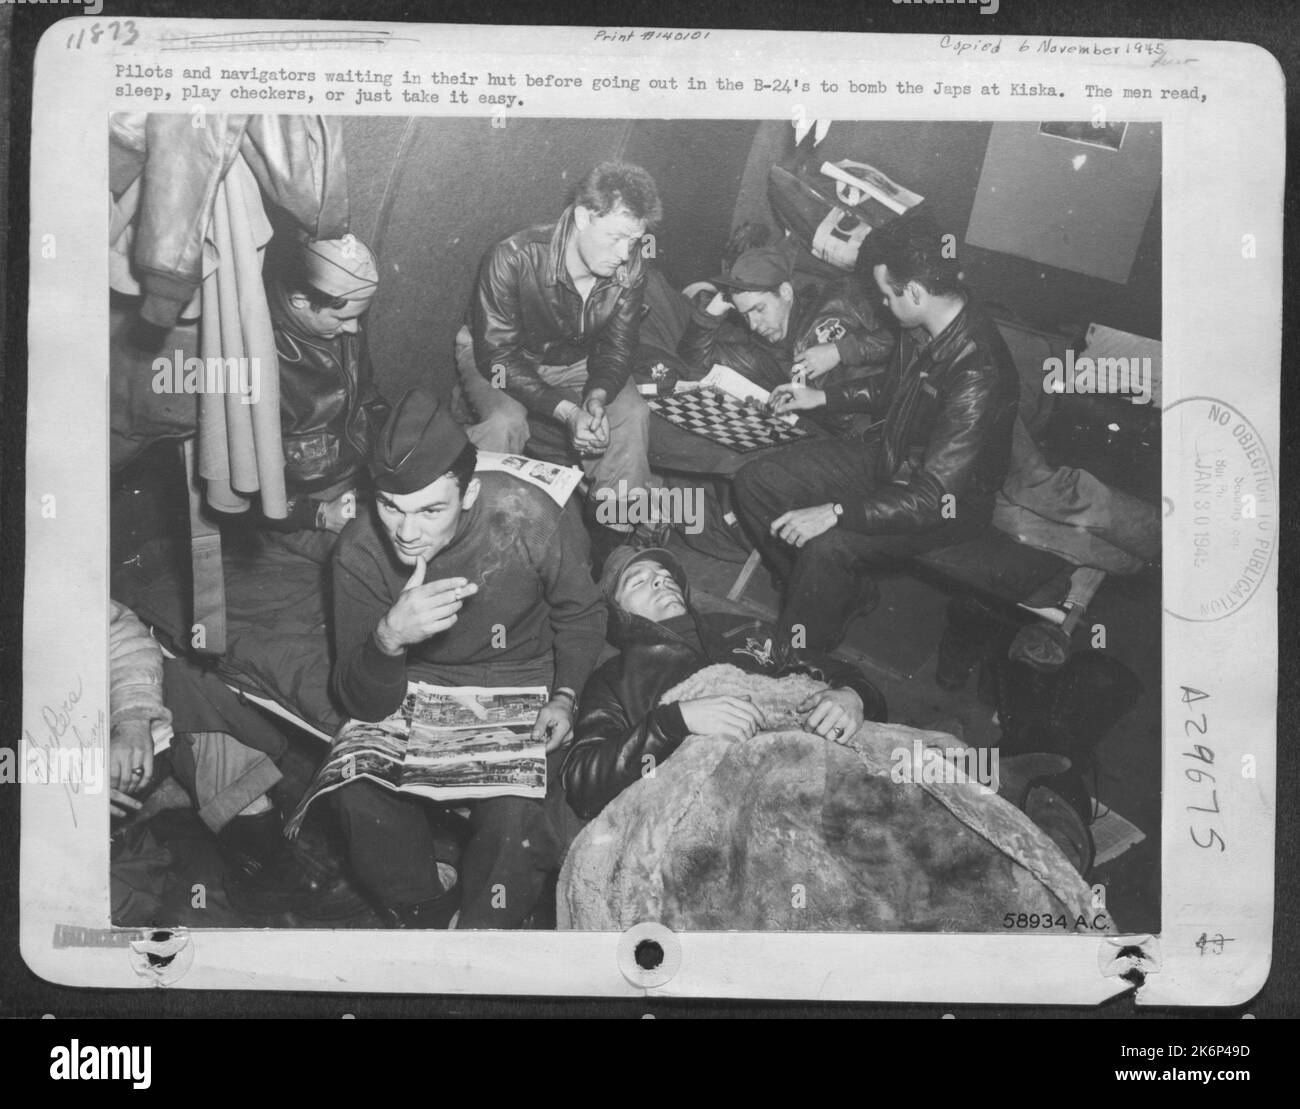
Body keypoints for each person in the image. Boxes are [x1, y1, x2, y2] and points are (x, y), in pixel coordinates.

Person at [327, 388, 606, 927]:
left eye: (431, 510)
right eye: (391, 506)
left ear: (470, 491)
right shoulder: (359, 550)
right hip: (417, 684)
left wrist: (567, 695)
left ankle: (480, 946)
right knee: (358, 797)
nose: (407, 533)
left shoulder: (528, 515)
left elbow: (584, 613)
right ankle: (424, 913)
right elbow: (356, 696)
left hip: (522, 678)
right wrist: (388, 639)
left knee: (518, 824)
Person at [732, 217, 1021, 653]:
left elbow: (932, 499)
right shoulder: (923, 323)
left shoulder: (978, 372)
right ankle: (837, 594)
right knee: (755, 482)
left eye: (887, 295)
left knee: (827, 546)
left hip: (946, 504)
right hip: (893, 458)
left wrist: (834, 512)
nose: (883, 306)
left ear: (916, 293)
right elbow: (891, 390)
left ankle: (799, 659)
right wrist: (820, 400)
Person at [561, 546, 887, 820]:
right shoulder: (614, 679)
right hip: (726, 812)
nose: (660, 581)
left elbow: (845, 677)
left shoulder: (750, 628)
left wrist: (852, 696)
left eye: (664, 575)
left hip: (816, 774)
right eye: (638, 582)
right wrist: (673, 722)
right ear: (616, 612)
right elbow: (582, 783)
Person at [450, 161, 666, 563]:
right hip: (500, 357)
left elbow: (618, 348)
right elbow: (497, 355)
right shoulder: (512, 256)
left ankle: (603, 562)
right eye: (617, 238)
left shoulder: (631, 267)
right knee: (504, 425)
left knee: (631, 415)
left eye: (635, 241)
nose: (625, 254)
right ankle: (477, 550)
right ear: (584, 217)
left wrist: (597, 399)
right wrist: (569, 412)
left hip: (576, 358)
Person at [109, 600, 348, 916]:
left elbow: (121, 631)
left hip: (121, 741)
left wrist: (132, 718)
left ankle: (264, 873)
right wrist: (69, 782)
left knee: (196, 688)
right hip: (64, 788)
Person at [250, 233, 389, 547]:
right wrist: (322, 514)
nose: (354, 329)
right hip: (301, 509)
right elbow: (233, 490)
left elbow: (368, 398)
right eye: (343, 318)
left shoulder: (341, 325)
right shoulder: (249, 355)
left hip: (361, 475)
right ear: (300, 300)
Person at [677, 243, 896, 434]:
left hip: (888, 419)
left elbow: (907, 340)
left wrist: (840, 350)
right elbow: (691, 359)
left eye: (759, 309)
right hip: (839, 441)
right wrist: (713, 311)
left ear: (785, 292)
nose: (753, 324)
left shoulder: (841, 298)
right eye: (745, 315)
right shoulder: (759, 353)